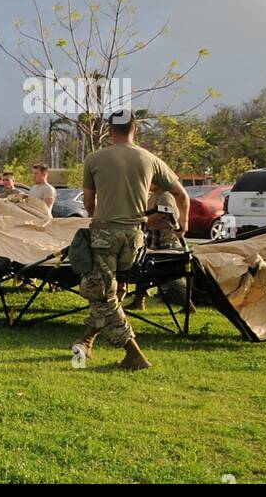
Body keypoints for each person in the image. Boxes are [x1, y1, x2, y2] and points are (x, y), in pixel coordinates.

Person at [75, 112, 189, 371]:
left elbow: (88, 205)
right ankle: (87, 340)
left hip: (106, 233)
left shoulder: (94, 159)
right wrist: (185, 223)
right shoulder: (150, 159)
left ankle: (133, 354)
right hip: (136, 237)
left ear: (109, 131)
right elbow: (182, 195)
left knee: (101, 293)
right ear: (134, 129)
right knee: (115, 289)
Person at [129, 181, 193, 313]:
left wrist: (143, 224)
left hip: (166, 241)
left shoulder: (165, 196)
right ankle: (138, 301)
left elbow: (162, 213)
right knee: (143, 268)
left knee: (169, 276)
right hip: (153, 240)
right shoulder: (154, 196)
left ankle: (188, 305)